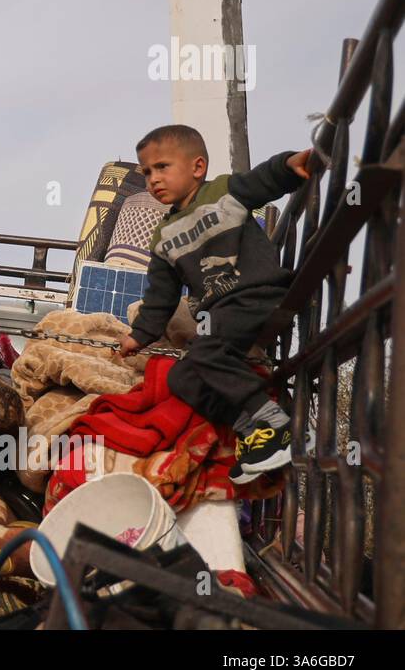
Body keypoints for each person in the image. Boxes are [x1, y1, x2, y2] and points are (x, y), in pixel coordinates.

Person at [117, 125, 312, 482]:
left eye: (162, 167)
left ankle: (275, 423)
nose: (153, 179)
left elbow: (262, 179)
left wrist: (288, 166)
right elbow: (160, 295)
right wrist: (140, 335)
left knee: (207, 351)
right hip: (221, 314)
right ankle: (250, 429)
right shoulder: (163, 237)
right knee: (182, 377)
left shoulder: (224, 192)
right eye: (146, 172)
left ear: (197, 167)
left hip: (258, 295)